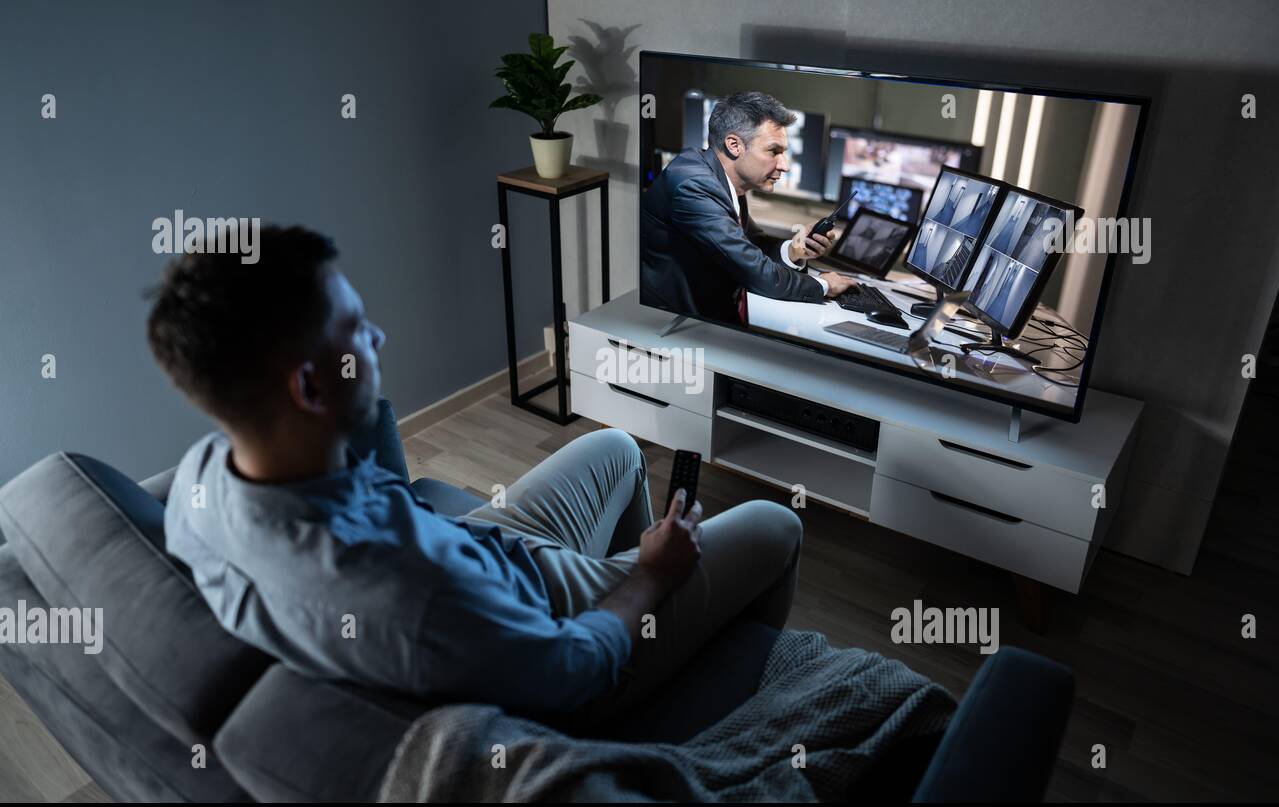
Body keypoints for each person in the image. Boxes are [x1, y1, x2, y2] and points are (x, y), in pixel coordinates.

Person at [147, 226, 804, 727]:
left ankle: (659, 619)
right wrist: (650, 576)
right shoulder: (407, 588)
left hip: (480, 546)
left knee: (615, 448)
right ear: (310, 386)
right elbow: (570, 672)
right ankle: (686, 679)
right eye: (354, 328)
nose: (378, 338)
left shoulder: (203, 478)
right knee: (776, 524)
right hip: (546, 619)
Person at [641, 90, 856, 325]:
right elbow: (758, 273)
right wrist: (824, 285)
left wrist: (795, 250)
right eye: (774, 151)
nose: (784, 165)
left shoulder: (722, 178)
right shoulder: (694, 186)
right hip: (675, 322)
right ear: (734, 145)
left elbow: (752, 244)